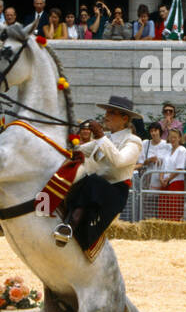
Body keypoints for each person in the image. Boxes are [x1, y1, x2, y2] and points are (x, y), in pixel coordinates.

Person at [55, 96, 144, 251]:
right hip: (95, 189)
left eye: (112, 112)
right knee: (78, 179)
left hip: (114, 191)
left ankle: (71, 224)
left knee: (91, 180)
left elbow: (119, 161)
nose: (106, 115)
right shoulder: (105, 139)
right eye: (106, 112)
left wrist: (100, 136)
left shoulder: (133, 141)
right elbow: (77, 150)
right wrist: (63, 139)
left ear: (124, 118)